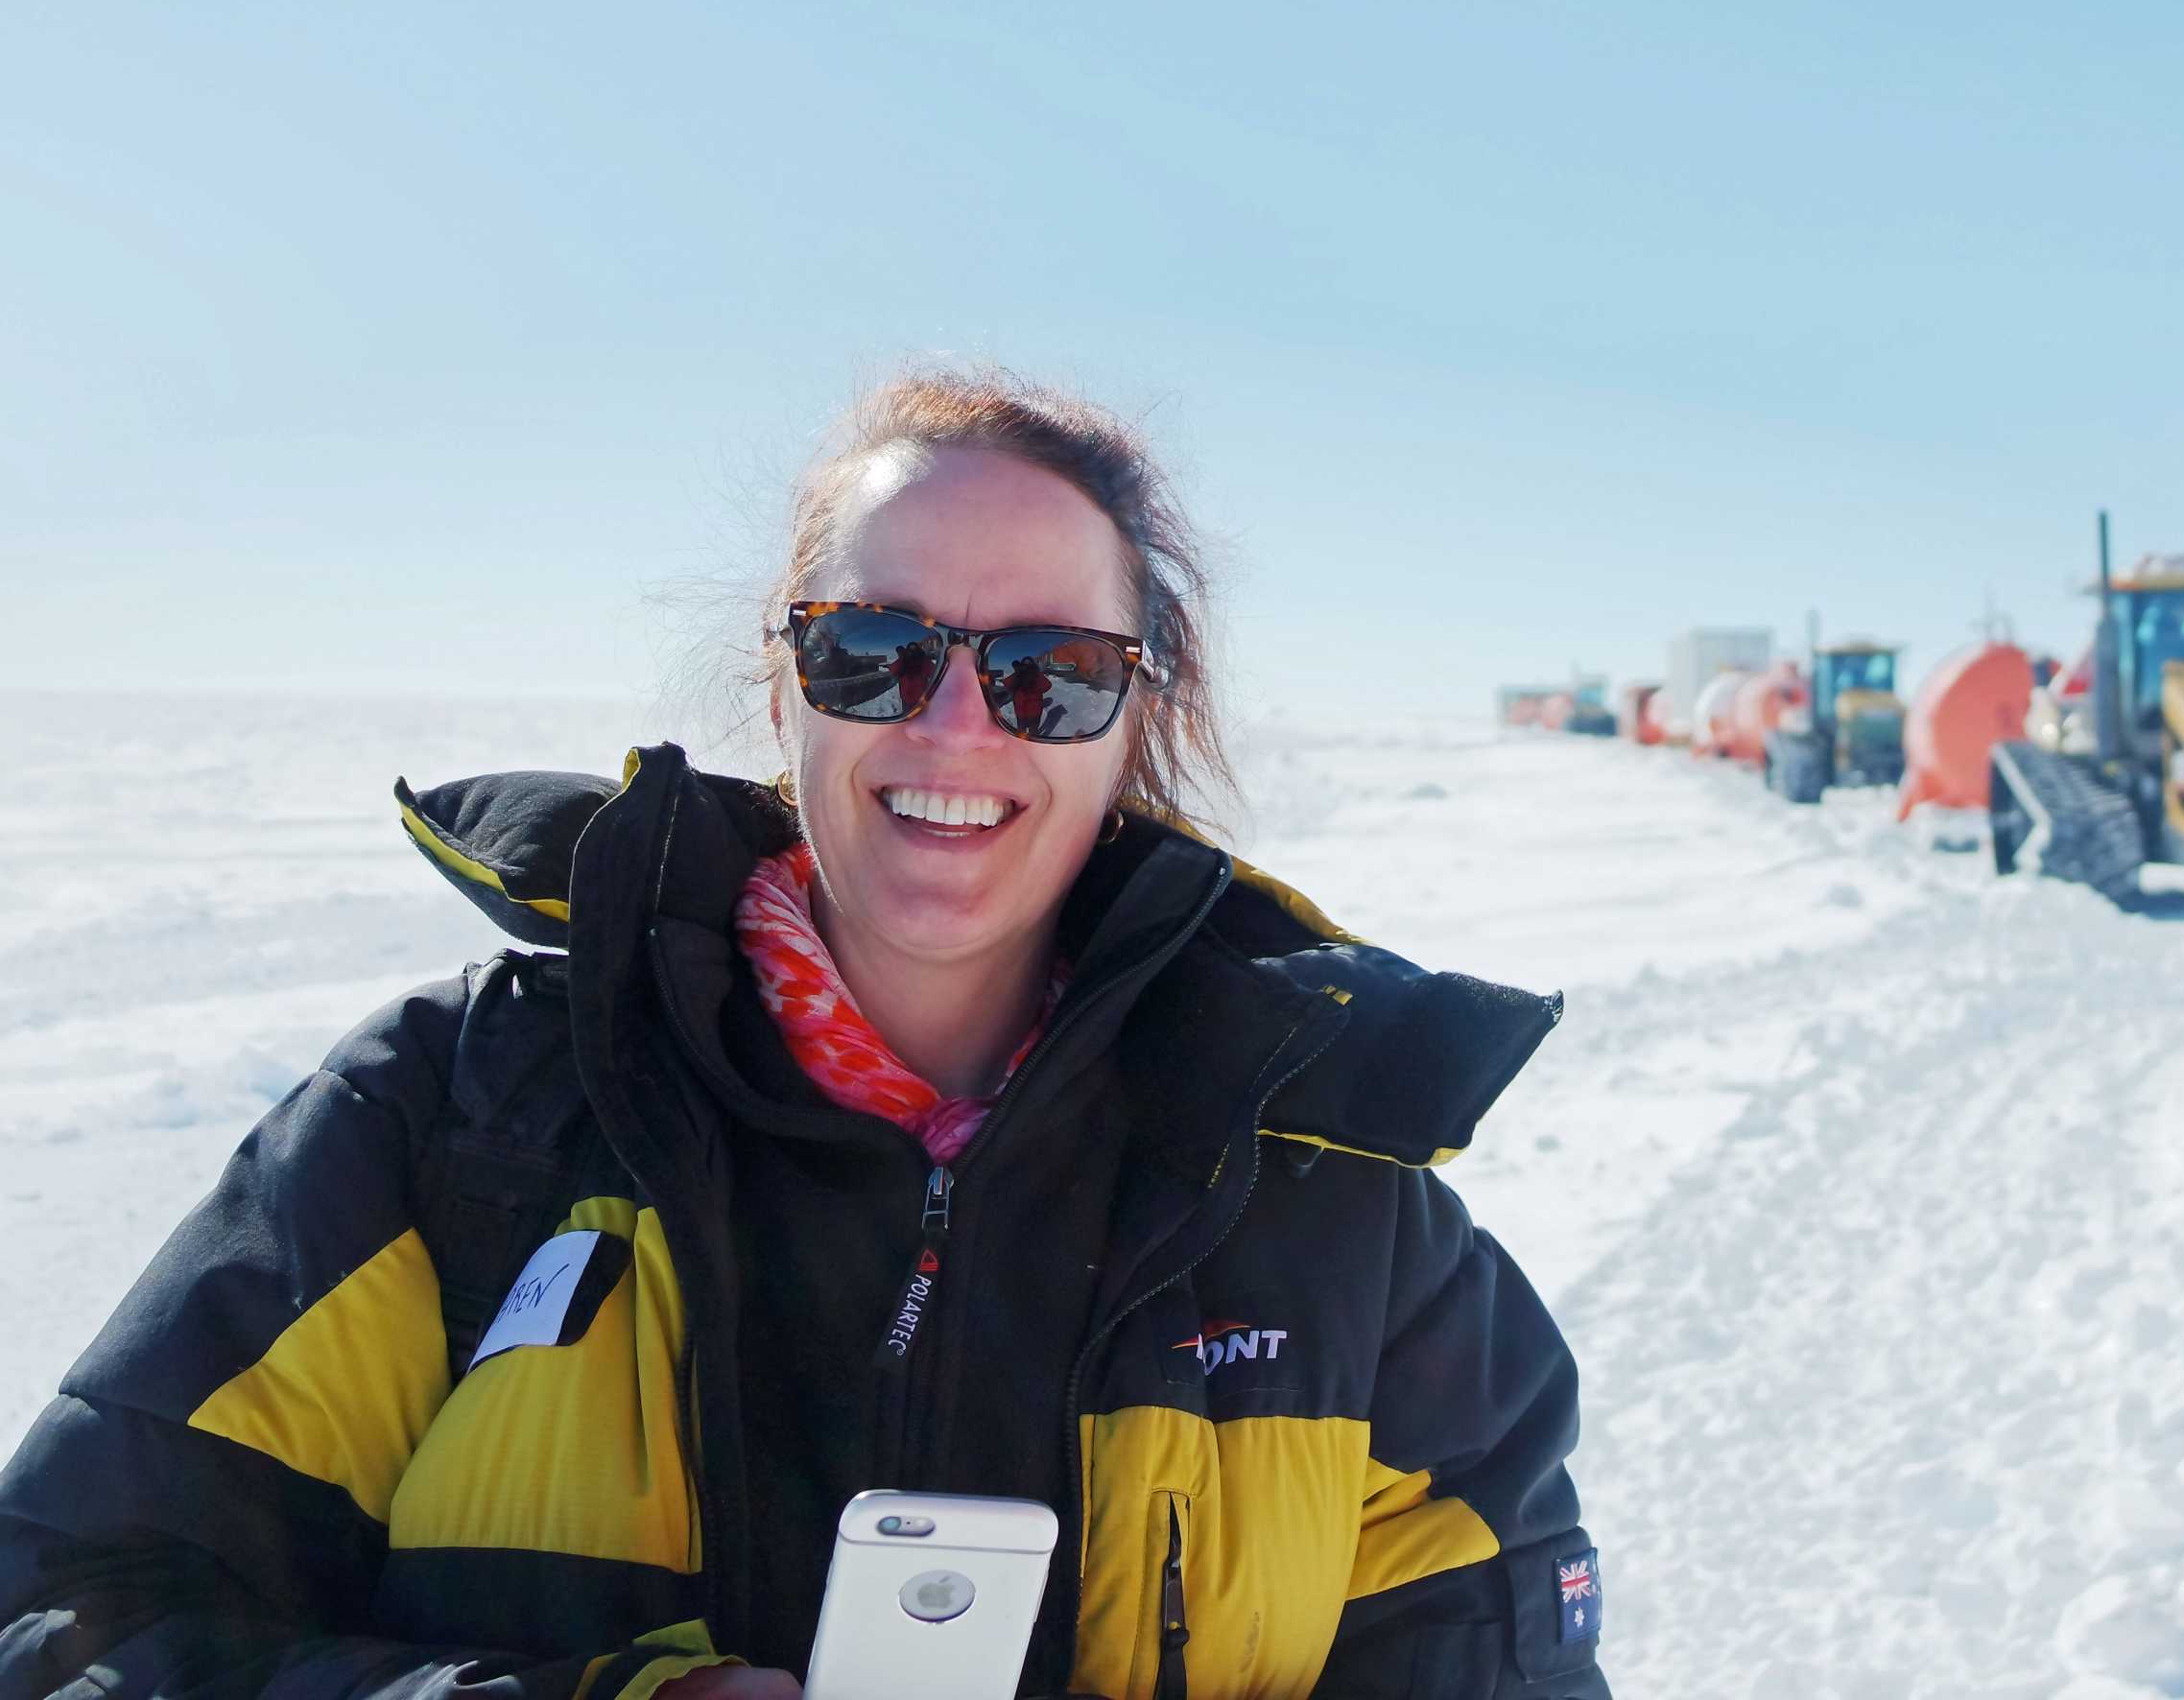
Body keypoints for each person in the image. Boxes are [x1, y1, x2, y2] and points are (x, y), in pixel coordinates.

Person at [0, 370, 1608, 1700]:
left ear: (1132, 723)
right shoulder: (459, 1118)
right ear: (782, 687)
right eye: (872, 652)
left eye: (1052, 674)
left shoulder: (1341, 1215)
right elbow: (67, 1617)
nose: (955, 725)